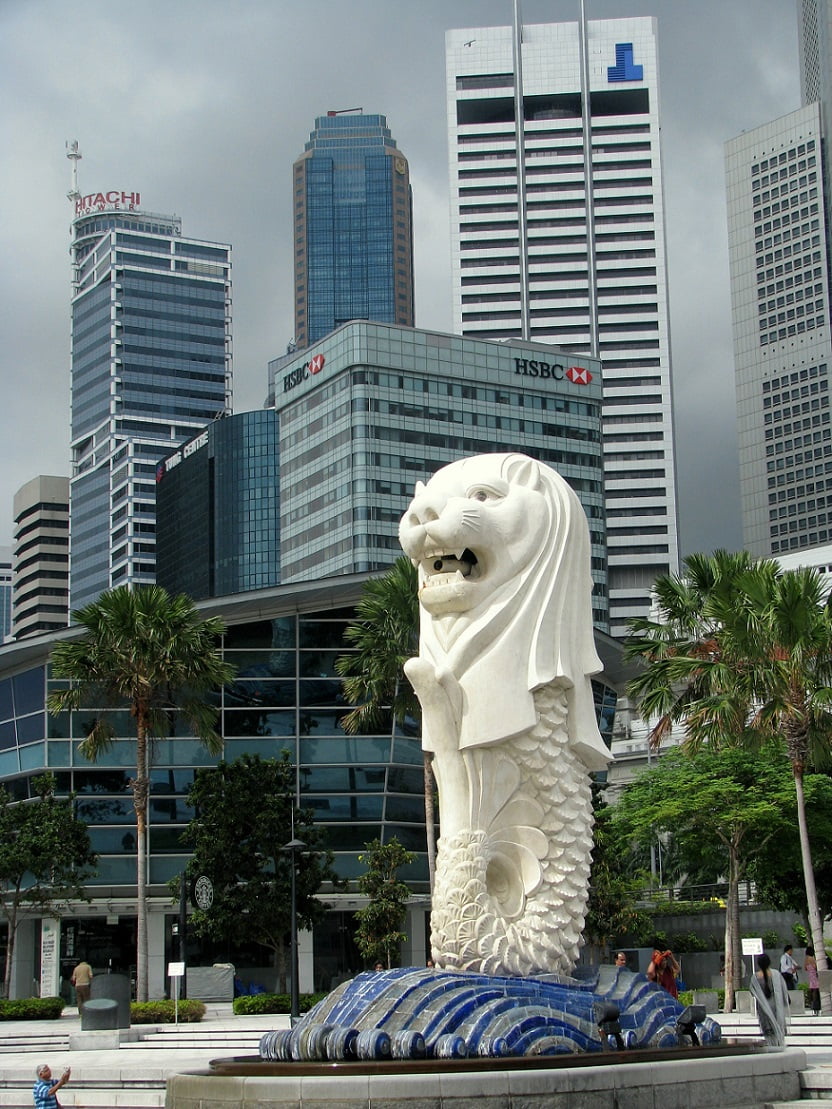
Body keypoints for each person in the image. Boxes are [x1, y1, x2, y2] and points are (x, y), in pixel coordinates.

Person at [750, 952, 790, 1048]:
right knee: (777, 1025)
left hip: (764, 1007)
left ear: (758, 964)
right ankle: (779, 1044)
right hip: (776, 1005)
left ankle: (771, 1045)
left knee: (767, 1028)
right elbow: (783, 989)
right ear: (769, 962)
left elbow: (752, 992)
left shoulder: (755, 977)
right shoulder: (776, 974)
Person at [805, 945, 821, 1016]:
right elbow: (815, 966)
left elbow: (805, 968)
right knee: (816, 991)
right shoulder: (812, 958)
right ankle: (816, 1007)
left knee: (813, 991)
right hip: (814, 975)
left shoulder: (806, 959)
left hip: (810, 975)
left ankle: (814, 1007)